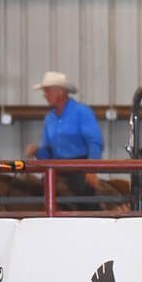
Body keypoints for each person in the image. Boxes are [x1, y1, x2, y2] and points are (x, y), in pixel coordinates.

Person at [25, 71, 104, 204]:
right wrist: (37, 151)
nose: (45, 95)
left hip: (79, 167)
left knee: (84, 194)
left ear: (60, 92)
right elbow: (48, 151)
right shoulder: (50, 118)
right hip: (57, 167)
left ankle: (93, 216)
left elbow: (94, 142)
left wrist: (91, 170)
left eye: (47, 91)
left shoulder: (82, 112)